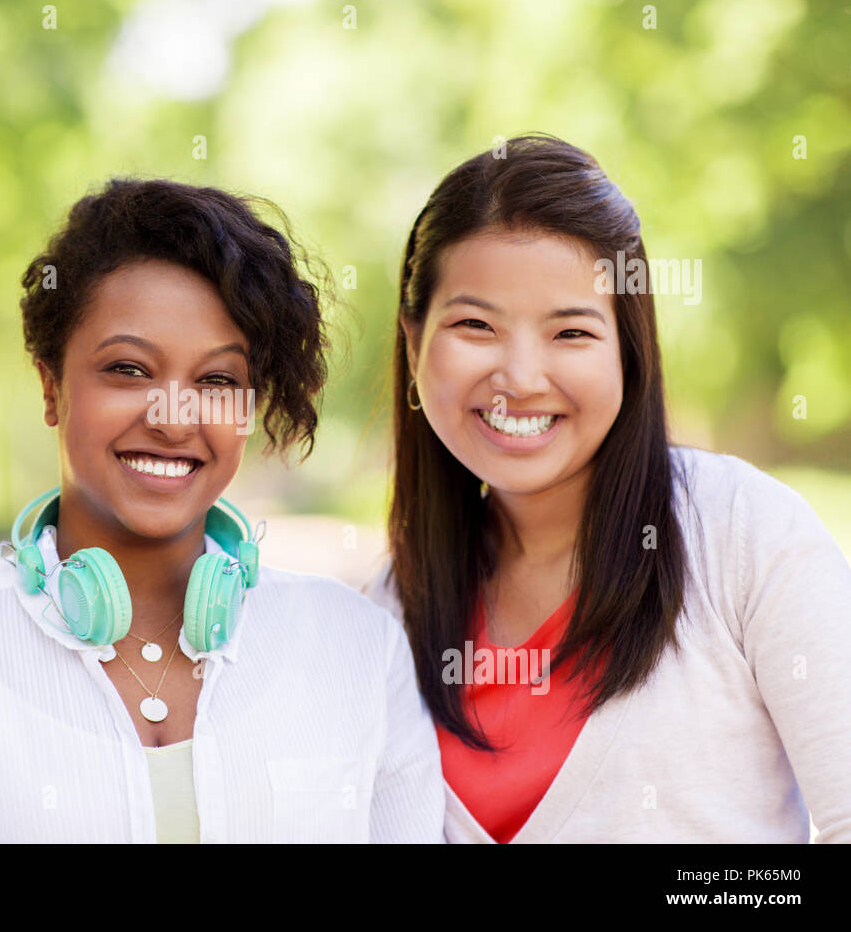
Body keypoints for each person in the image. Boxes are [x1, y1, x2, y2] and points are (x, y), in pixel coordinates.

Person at [0, 178, 445, 842]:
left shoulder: (360, 648)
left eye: (217, 380)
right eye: (129, 370)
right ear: (50, 384)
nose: (174, 418)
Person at [364, 134, 851, 843]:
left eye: (570, 332)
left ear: (628, 346)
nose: (522, 377)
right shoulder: (390, 612)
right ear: (414, 343)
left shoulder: (743, 534)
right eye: (476, 326)